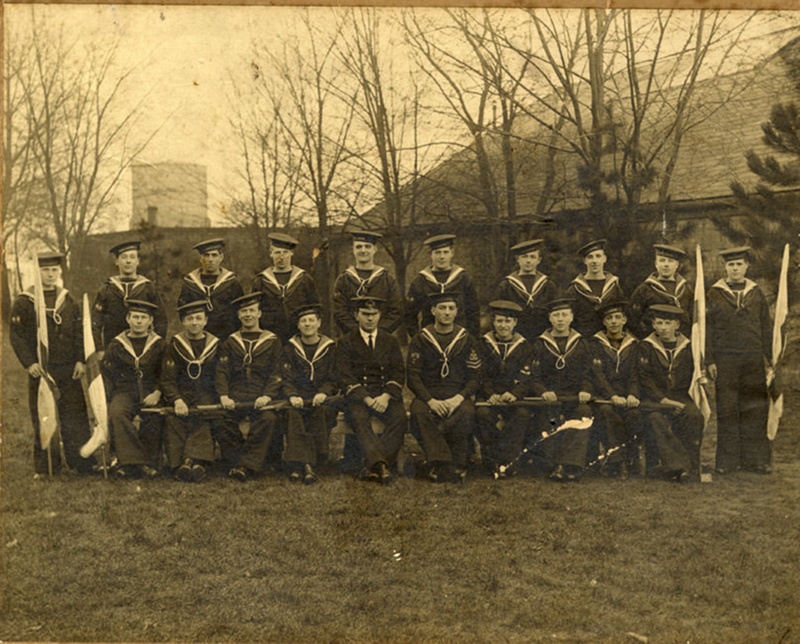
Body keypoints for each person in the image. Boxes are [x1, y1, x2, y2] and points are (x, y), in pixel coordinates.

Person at [10, 252, 92, 475]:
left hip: (68, 366)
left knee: (74, 413)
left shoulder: (68, 299)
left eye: (54, 270)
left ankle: (82, 461)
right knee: (43, 413)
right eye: (45, 270)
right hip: (41, 367)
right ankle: (46, 466)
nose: (50, 274)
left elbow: (78, 332)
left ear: (59, 272)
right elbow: (16, 336)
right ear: (38, 272)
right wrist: (29, 363)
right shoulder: (25, 301)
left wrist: (80, 360)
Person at [706, 247, 773, 474]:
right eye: (731, 265)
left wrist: (770, 357)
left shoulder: (756, 293)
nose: (735, 269)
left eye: (739, 264)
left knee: (755, 407)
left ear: (747, 266)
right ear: (725, 267)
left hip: (753, 358)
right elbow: (707, 329)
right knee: (727, 408)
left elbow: (766, 326)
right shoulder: (714, 293)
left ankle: (755, 460)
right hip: (725, 359)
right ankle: (726, 461)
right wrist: (710, 360)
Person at [407, 291, 482, 483]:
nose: (446, 313)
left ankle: (457, 463)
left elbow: (475, 377)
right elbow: (413, 377)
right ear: (433, 311)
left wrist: (459, 397)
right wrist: (430, 401)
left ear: (457, 312)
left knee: (466, 412)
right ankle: (442, 463)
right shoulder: (421, 339)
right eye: (442, 308)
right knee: (418, 412)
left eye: (451, 308)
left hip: (456, 394)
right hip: (429, 394)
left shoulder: (466, 339)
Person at [336, 297, 407, 485]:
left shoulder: (390, 340)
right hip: (359, 397)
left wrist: (385, 396)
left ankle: (372, 465)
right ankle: (382, 465)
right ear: (356, 315)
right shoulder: (346, 341)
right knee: (358, 418)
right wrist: (366, 398)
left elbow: (399, 372)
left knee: (400, 418)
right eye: (365, 314)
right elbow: (345, 376)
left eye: (374, 314)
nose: (370, 318)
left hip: (385, 395)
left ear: (380, 315)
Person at [215, 293, 284, 481]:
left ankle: (246, 465)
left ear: (259, 313)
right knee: (221, 420)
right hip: (235, 397)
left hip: (261, 396)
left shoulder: (272, 341)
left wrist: (268, 396)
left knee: (268, 419)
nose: (248, 315)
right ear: (238, 315)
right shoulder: (230, 342)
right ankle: (238, 462)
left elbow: (277, 373)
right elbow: (222, 371)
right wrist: (224, 396)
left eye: (252, 310)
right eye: (243, 311)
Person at [528, 298, 593, 482]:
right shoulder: (540, 344)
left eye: (565, 314)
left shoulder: (581, 343)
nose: (560, 319)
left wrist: (586, 389)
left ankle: (569, 465)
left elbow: (589, 373)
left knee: (584, 413)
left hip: (573, 398)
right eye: (556, 315)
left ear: (572, 317)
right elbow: (533, 376)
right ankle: (552, 465)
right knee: (548, 418)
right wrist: (542, 391)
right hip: (551, 398)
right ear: (550, 318)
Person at [638, 304, 704, 482]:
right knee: (656, 419)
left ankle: (692, 466)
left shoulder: (690, 346)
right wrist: (664, 400)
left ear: (677, 325)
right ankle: (678, 468)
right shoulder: (646, 346)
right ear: (653, 325)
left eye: (668, 323)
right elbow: (644, 379)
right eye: (659, 323)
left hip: (681, 395)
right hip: (654, 398)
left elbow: (695, 371)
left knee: (694, 416)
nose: (663, 327)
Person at [101, 299, 165, 478]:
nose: (139, 321)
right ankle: (134, 462)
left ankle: (148, 462)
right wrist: (110, 397)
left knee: (155, 415)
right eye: (135, 317)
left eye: (143, 317)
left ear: (150, 321)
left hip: (151, 391)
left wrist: (158, 392)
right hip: (125, 391)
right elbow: (106, 372)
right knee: (117, 412)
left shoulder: (159, 344)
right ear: (127, 319)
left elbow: (167, 373)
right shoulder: (116, 344)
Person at [160, 301, 220, 482]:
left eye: (198, 318)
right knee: (173, 418)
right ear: (183, 322)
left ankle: (190, 461)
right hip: (182, 393)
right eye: (190, 319)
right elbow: (167, 379)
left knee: (203, 415)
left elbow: (221, 376)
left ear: (205, 321)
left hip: (206, 393)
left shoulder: (215, 345)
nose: (194, 322)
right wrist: (176, 399)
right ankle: (182, 464)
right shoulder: (175, 345)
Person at [281, 303, 339, 484]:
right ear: (298, 325)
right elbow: (286, 377)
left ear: (319, 323)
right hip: (298, 398)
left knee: (320, 413)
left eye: (311, 320)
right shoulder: (290, 348)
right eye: (303, 321)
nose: (307, 324)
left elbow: (334, 378)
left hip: (322, 399)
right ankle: (306, 465)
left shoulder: (330, 348)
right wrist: (292, 395)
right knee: (293, 414)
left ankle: (304, 464)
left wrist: (324, 393)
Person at [475, 300, 532, 479]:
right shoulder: (483, 344)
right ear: (493, 322)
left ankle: (508, 460)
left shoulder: (524, 346)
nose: (503, 325)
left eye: (508, 321)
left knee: (522, 414)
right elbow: (479, 374)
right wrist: (490, 393)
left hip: (513, 397)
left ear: (515, 323)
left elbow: (527, 375)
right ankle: (491, 460)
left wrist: (515, 393)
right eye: (499, 321)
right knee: (483, 414)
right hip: (489, 397)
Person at [589, 300, 644, 478]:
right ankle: (618, 463)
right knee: (607, 413)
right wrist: (612, 395)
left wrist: (633, 394)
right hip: (604, 396)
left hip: (626, 396)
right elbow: (597, 375)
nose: (613, 321)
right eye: (609, 318)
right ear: (604, 322)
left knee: (634, 415)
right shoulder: (595, 344)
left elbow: (635, 374)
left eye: (617, 317)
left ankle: (632, 458)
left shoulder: (634, 344)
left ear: (624, 320)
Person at [92, 240, 168, 349]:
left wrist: (157, 346)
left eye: (132, 257)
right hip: (113, 348)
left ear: (138, 261)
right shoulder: (107, 289)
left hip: (143, 349)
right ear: (116, 261)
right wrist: (99, 349)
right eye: (124, 257)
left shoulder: (148, 288)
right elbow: (96, 322)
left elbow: (161, 320)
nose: (128, 261)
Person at [405, 234, 480, 338]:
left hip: (460, 338)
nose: (442, 257)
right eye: (437, 252)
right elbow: (409, 315)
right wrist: (418, 338)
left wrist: (470, 338)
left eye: (445, 252)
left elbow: (473, 312)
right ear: (430, 254)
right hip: (430, 339)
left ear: (452, 253)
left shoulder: (463, 279)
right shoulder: (420, 281)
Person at [251, 232, 320, 343]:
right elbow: (254, 310)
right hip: (269, 336)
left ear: (291, 253)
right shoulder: (261, 281)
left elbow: (314, 307)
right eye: (277, 252)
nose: (281, 257)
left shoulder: (304, 279)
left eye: (285, 252)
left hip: (299, 336)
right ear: (271, 253)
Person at [333, 230, 403, 336]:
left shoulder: (387, 279)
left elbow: (396, 311)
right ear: (353, 250)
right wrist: (358, 334)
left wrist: (379, 333)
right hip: (352, 339)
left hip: (381, 338)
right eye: (359, 247)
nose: (363, 250)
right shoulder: (343, 280)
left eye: (367, 246)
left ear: (375, 249)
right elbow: (339, 312)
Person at [178, 238, 244, 341]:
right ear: (200, 258)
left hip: (227, 336)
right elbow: (183, 312)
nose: (210, 259)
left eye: (214, 255)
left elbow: (240, 310)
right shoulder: (190, 283)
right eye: (206, 255)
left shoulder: (231, 282)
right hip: (198, 337)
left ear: (221, 257)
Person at [496, 239, 559, 342]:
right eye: (524, 256)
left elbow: (554, 312)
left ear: (539, 260)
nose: (528, 260)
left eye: (532, 257)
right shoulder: (506, 285)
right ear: (517, 259)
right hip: (515, 336)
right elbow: (500, 314)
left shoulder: (548, 284)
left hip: (543, 336)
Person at [628, 244, 694, 339]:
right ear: (656, 263)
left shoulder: (686, 289)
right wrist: (646, 339)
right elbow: (632, 319)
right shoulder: (645, 289)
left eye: (670, 261)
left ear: (677, 265)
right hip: (653, 343)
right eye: (662, 260)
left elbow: (693, 317)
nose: (666, 265)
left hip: (681, 342)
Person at [564, 239, 625, 337]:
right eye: (590, 257)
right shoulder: (575, 288)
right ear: (585, 261)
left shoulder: (614, 286)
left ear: (604, 258)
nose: (594, 261)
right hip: (584, 339)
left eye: (598, 256)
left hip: (609, 339)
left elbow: (622, 313)